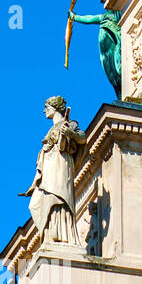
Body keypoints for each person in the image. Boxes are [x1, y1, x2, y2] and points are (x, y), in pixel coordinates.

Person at [21, 97, 86, 247]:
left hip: (61, 164)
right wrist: (33, 184)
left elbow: (83, 138)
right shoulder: (51, 129)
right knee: (35, 204)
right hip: (49, 167)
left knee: (56, 197)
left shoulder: (70, 123)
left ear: (55, 107)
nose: (45, 110)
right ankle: (49, 234)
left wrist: (71, 133)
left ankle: (62, 237)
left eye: (47, 107)